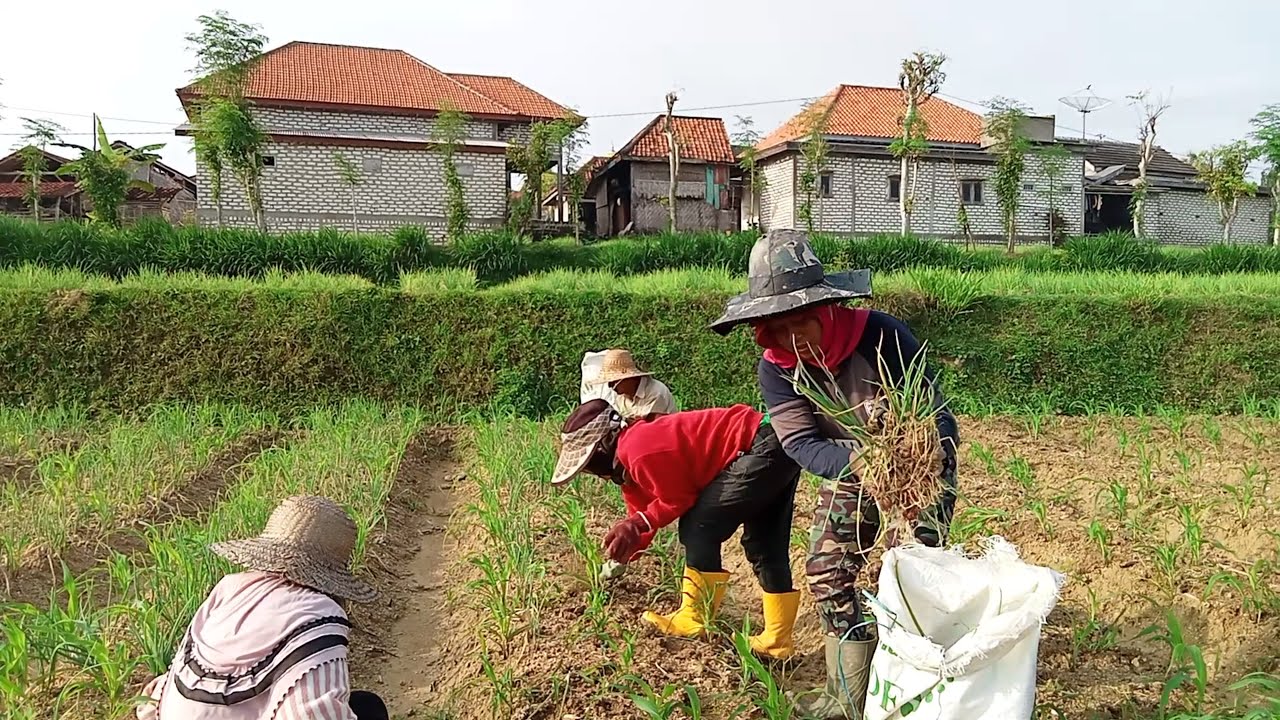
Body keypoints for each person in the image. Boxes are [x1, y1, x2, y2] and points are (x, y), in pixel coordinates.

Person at [710, 229, 959, 719]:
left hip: (920, 465)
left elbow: (935, 408)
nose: (790, 340)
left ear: (825, 311)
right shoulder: (777, 369)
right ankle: (845, 696)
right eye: (774, 329)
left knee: (909, 574)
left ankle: (917, 690)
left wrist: (912, 456)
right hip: (853, 465)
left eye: (799, 325)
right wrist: (861, 462)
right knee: (827, 569)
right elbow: (801, 443)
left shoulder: (881, 334)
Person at [551, 399, 803, 659]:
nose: (594, 472)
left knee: (699, 525)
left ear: (604, 446)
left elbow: (679, 499)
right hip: (777, 441)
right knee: (764, 543)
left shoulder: (637, 449)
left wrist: (637, 524)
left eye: (591, 462)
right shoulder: (630, 464)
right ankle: (778, 641)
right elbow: (641, 517)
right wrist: (617, 562)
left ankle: (693, 618)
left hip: (760, 444)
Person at [136, 495, 389, 720]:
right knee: (370, 710)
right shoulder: (318, 613)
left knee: (363, 704)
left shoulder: (231, 588)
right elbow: (314, 713)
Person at [580, 348, 677, 423]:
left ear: (628, 378)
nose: (610, 387)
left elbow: (651, 425)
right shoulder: (619, 395)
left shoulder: (655, 393)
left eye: (614, 382)